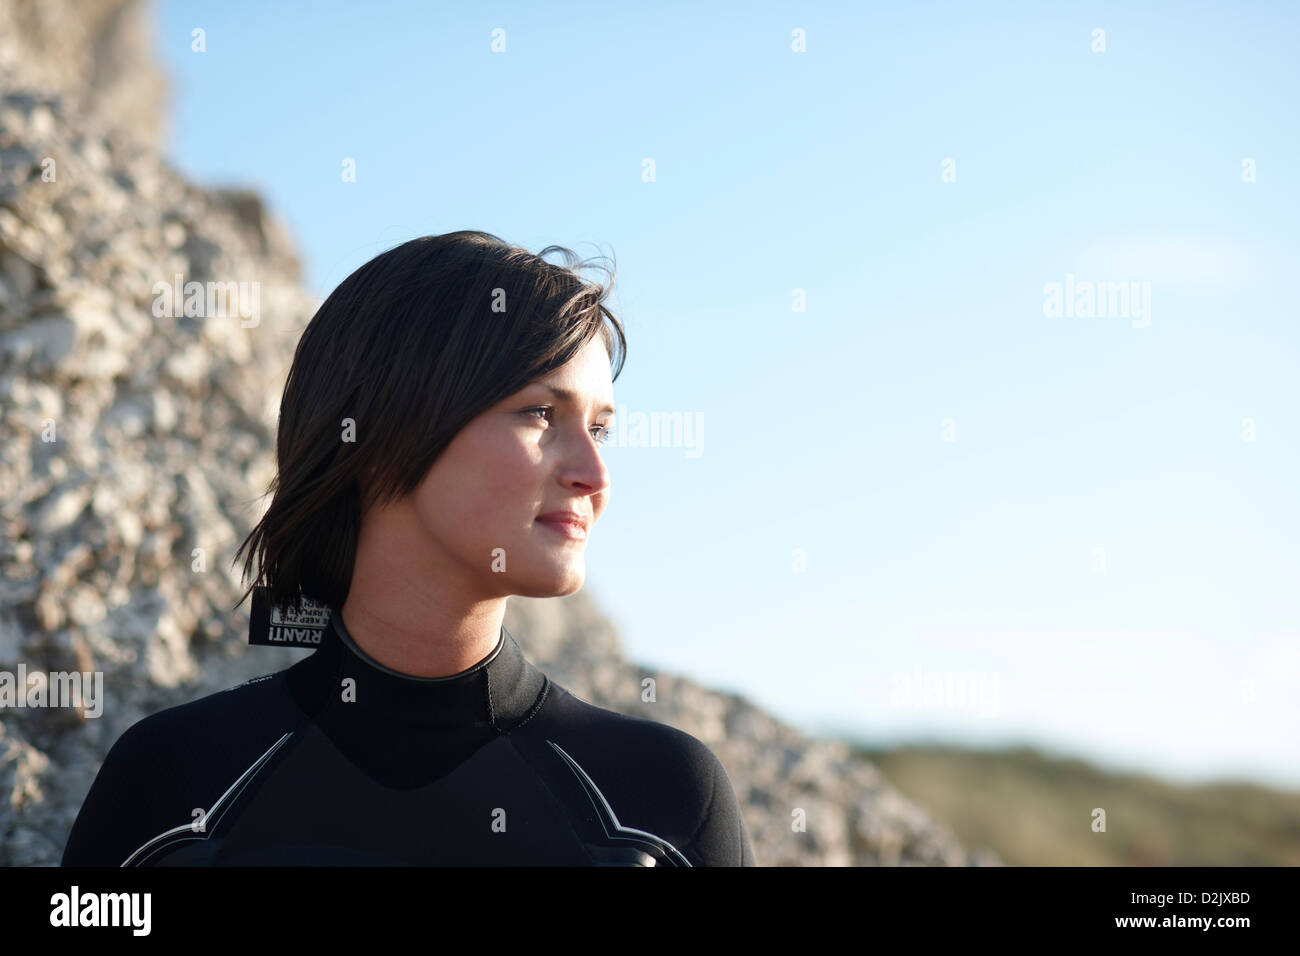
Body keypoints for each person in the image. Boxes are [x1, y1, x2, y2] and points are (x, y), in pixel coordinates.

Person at [61, 231, 756, 866]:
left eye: (600, 429)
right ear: (383, 428)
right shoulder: (172, 778)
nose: (594, 474)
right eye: (542, 414)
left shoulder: (664, 796)